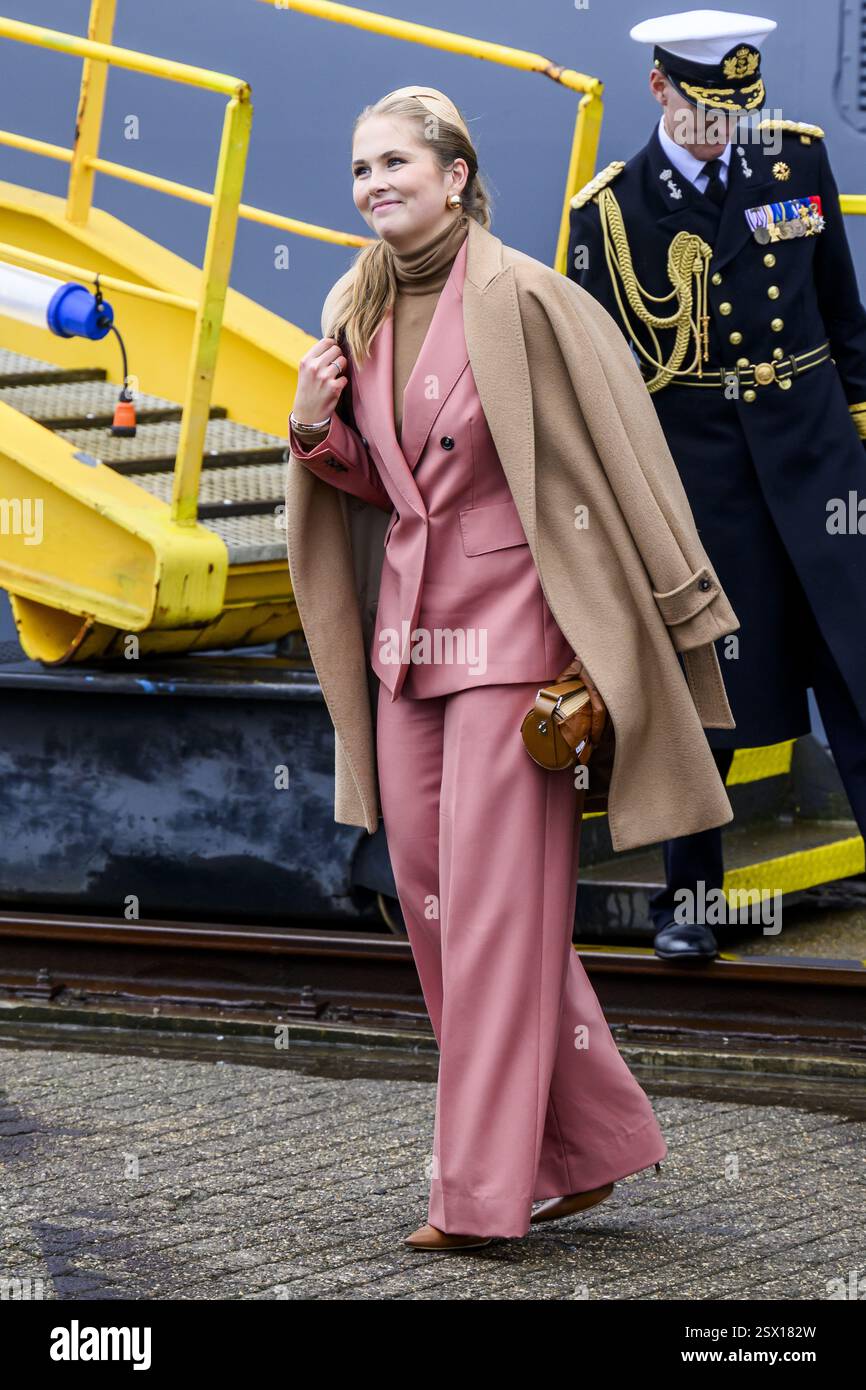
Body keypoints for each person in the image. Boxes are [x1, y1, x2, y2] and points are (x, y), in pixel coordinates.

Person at [284, 85, 740, 1249]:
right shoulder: (354, 304)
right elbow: (383, 487)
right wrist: (310, 432)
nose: (372, 183)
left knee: (491, 920)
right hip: (409, 647)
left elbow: (616, 462)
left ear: (454, 173)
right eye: (357, 167)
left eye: (394, 161)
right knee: (438, 912)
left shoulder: (531, 301)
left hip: (517, 652)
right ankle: (590, 1143)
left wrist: (661, 623)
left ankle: (477, 1199)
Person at [567, 9, 866, 963]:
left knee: (859, 681)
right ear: (660, 90)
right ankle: (693, 900)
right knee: (711, 702)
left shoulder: (797, 162)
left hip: (818, 471)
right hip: (706, 487)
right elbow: (598, 389)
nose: (725, 128)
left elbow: (843, 318)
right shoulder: (608, 212)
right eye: (706, 111)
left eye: (738, 109)